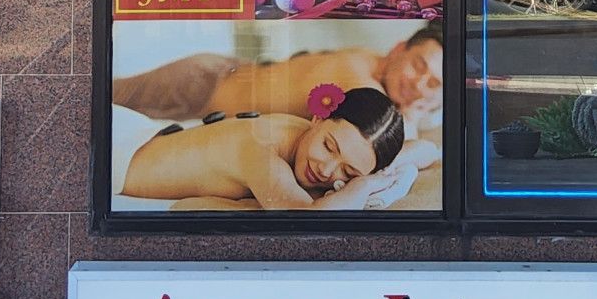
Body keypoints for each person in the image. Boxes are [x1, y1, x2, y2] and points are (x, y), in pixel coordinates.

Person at [117, 87, 412, 211]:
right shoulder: (263, 151)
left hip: (145, 134)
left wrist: (377, 174)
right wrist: (359, 189)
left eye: (348, 172)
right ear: (318, 117)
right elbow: (305, 224)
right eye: (328, 146)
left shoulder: (303, 137)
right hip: (118, 156)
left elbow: (426, 149)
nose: (325, 170)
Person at [114, 27, 442, 135]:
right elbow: (398, 139)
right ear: (399, 49)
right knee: (105, 97)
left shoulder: (376, 70)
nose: (419, 84)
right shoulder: (361, 77)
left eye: (434, 84)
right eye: (418, 65)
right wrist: (412, 115)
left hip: (223, 83)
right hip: (205, 83)